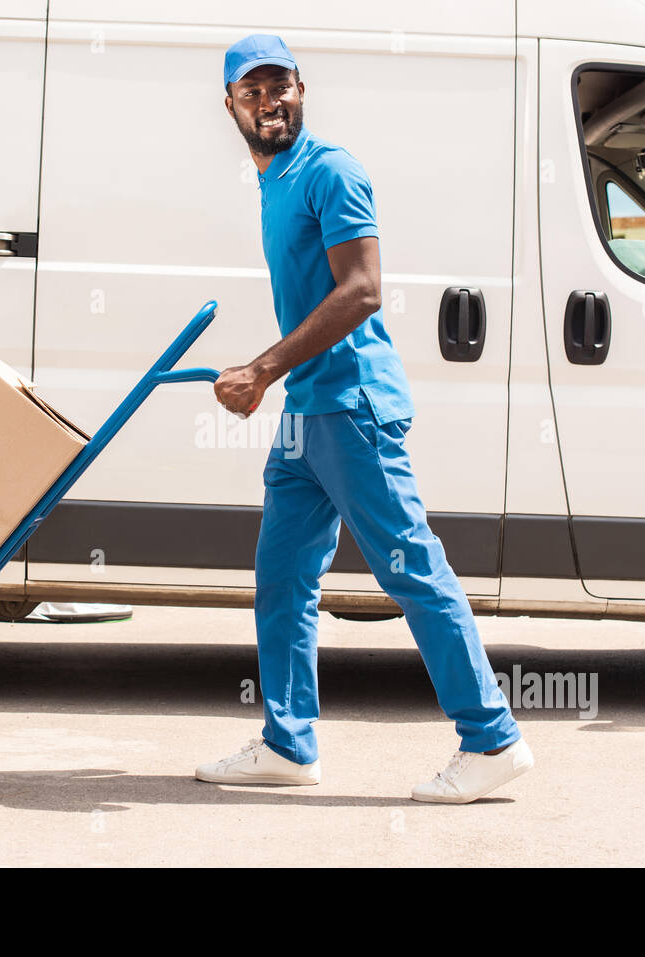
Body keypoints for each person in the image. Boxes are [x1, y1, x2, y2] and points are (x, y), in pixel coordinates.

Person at [194, 34, 533, 803]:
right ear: (231, 106)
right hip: (305, 412)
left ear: (301, 90)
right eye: (253, 91)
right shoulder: (273, 180)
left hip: (350, 405)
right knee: (282, 576)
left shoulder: (330, 171)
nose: (269, 100)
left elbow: (363, 290)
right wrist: (279, 382)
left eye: (280, 86)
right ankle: (288, 742)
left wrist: (261, 369)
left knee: (412, 567)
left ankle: (493, 740)